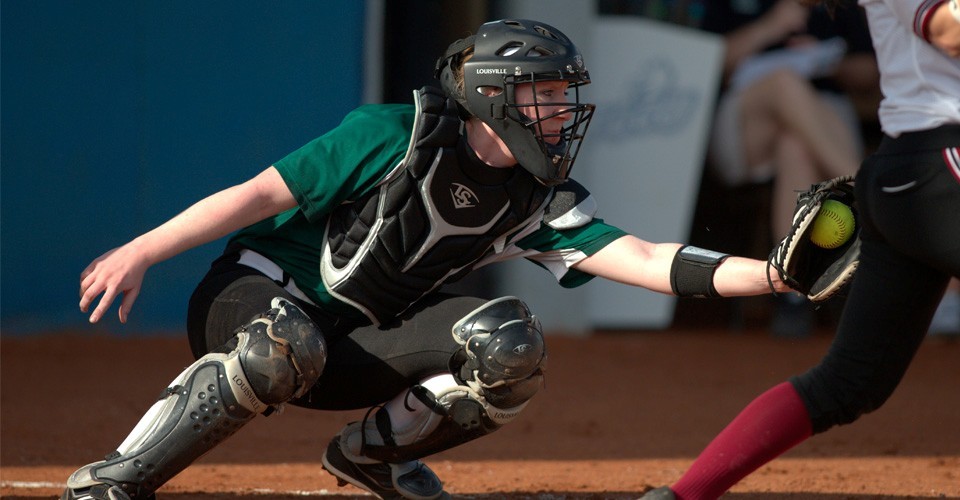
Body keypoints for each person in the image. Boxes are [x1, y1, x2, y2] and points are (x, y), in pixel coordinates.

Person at [63, 19, 791, 500]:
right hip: (251, 301)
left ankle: (371, 456)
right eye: (545, 93)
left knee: (509, 347)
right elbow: (256, 195)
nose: (562, 112)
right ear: (494, 95)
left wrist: (772, 275)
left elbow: (647, 257)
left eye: (563, 95)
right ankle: (114, 480)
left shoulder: (532, 199)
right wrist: (142, 250)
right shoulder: (392, 134)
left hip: (348, 347)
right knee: (284, 342)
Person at [641, 0, 960, 498]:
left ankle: (681, 496)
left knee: (847, 383)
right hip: (934, 162)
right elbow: (949, 30)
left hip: (906, 171)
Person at [700, 0, 879, 337]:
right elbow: (705, 62)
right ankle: (871, 195)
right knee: (784, 82)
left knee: (794, 145)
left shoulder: (836, 5)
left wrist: (829, 63)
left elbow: (869, 72)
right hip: (749, 121)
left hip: (823, 112)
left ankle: (792, 291)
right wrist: (771, 26)